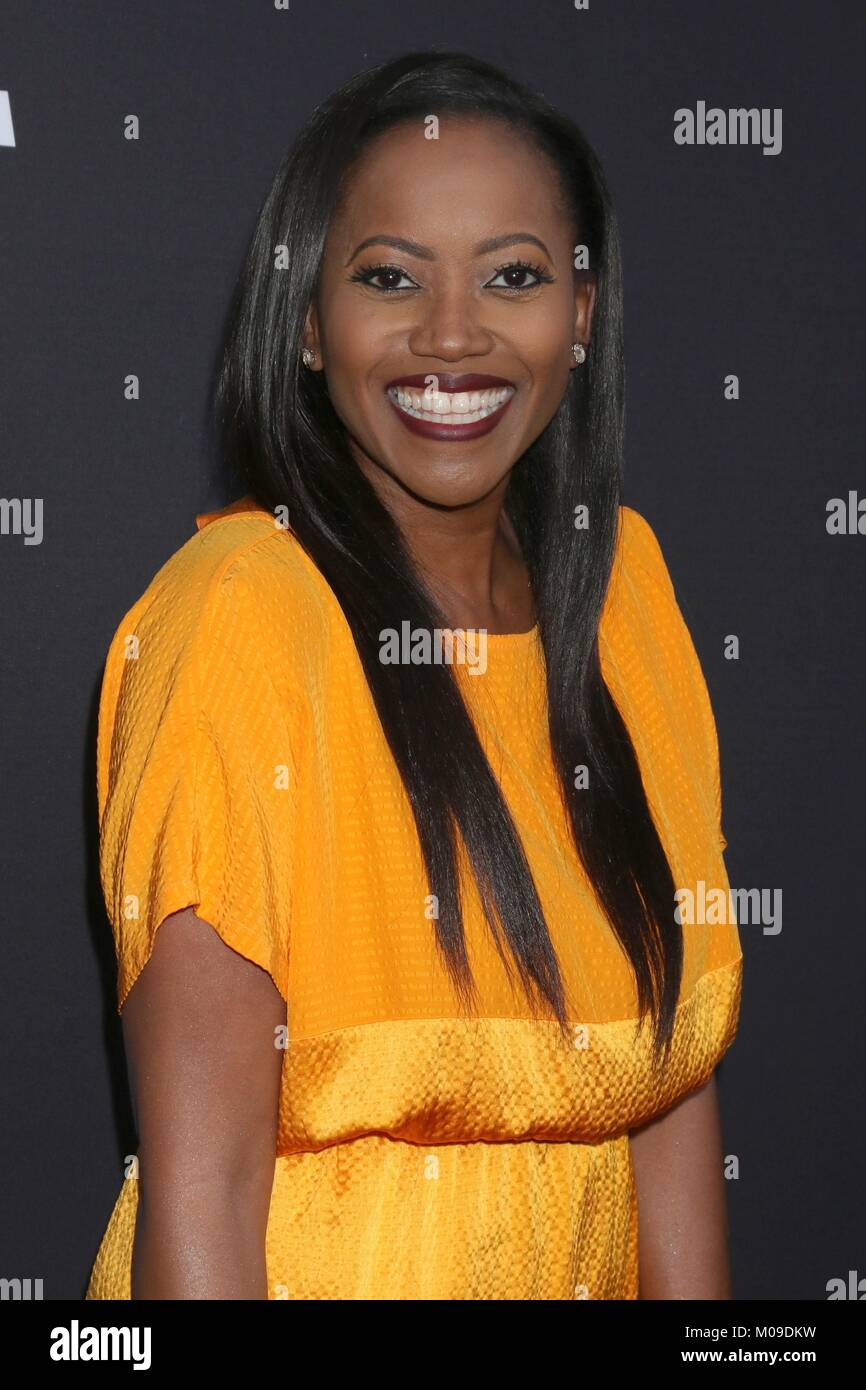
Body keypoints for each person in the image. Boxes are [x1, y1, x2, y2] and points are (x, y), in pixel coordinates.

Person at [86, 49, 742, 1301]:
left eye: (513, 276)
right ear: (309, 324)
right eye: (389, 278)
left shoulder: (624, 590)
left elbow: (663, 1082)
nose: (452, 335)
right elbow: (202, 1195)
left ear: (582, 317)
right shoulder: (238, 613)